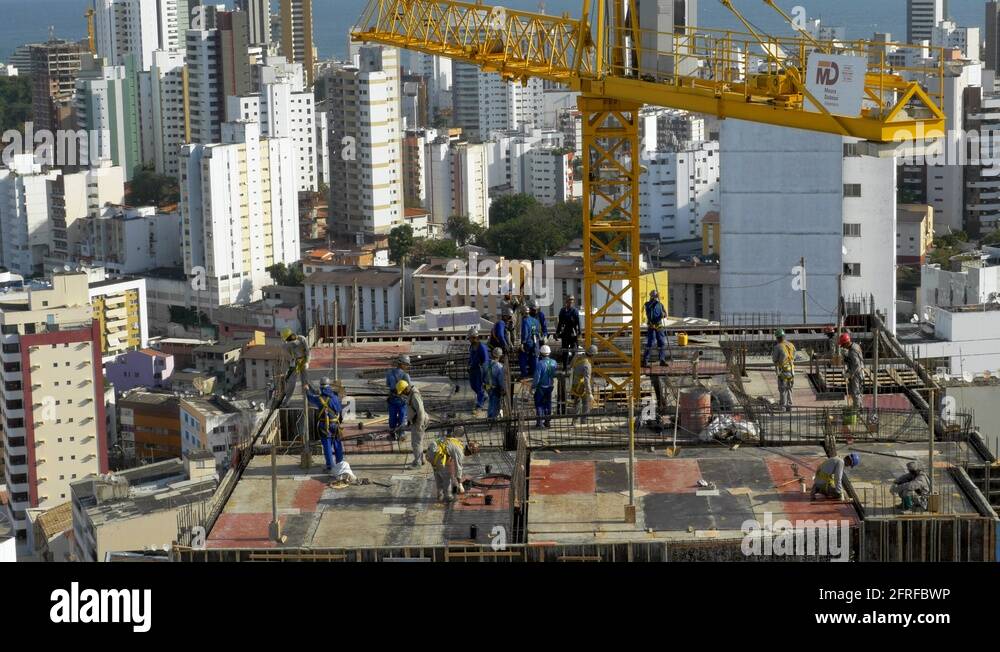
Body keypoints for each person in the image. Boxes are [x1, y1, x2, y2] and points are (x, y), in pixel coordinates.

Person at [305, 377, 345, 474]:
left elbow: (310, 398)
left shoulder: (319, 399)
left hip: (325, 425)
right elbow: (340, 409)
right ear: (329, 386)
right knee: (337, 444)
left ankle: (330, 467)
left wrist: (306, 390)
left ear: (321, 387)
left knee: (327, 446)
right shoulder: (335, 397)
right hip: (335, 425)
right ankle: (340, 465)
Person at [425, 429, 468, 502]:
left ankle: (440, 494)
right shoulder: (460, 452)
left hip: (430, 452)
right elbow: (458, 468)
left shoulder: (456, 442)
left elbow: (448, 452)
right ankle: (448, 496)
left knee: (438, 473)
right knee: (447, 476)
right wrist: (460, 484)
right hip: (437, 453)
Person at [396, 379, 429, 467]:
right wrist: (409, 421)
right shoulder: (411, 393)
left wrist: (419, 425)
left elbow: (420, 411)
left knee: (416, 443)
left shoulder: (414, 395)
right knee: (419, 442)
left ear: (406, 389)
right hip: (416, 420)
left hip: (419, 421)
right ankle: (421, 460)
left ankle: (417, 463)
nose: (402, 394)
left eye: (402, 392)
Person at [280, 327, 310, 406]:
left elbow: (307, 351)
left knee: (305, 380)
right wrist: (288, 368)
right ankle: (287, 399)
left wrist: (307, 362)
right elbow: (288, 357)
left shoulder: (302, 339)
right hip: (295, 362)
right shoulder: (286, 346)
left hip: (303, 360)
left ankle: (307, 398)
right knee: (291, 381)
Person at [385, 355, 412, 440]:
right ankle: (401, 434)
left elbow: (388, 384)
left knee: (392, 416)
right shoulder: (405, 375)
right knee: (402, 416)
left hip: (392, 399)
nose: (407, 367)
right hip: (402, 401)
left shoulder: (389, 373)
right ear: (402, 364)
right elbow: (409, 389)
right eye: (406, 365)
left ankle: (392, 434)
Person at [569, 345, 597, 424]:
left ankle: (574, 421)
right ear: (593, 355)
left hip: (574, 384)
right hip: (581, 386)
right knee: (586, 403)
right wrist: (590, 393)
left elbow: (571, 366)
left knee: (577, 402)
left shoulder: (578, 357)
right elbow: (586, 380)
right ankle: (584, 421)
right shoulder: (587, 364)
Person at [771, 329, 796, 411]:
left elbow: (774, 359)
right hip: (791, 371)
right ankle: (789, 406)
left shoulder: (777, 347)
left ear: (777, 338)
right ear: (784, 336)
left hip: (783, 372)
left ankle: (783, 407)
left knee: (783, 389)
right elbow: (794, 356)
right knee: (789, 388)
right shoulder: (791, 345)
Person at [533, 344, 557, 428]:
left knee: (539, 404)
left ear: (541, 353)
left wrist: (533, 386)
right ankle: (547, 421)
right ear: (549, 353)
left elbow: (537, 377)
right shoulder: (554, 362)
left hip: (541, 388)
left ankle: (540, 422)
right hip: (550, 387)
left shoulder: (540, 364)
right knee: (548, 403)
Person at [642, 290, 668, 367]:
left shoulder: (660, 305)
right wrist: (654, 301)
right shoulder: (647, 304)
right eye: (655, 297)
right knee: (650, 343)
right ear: (652, 297)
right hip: (651, 326)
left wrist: (663, 314)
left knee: (661, 343)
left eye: (656, 297)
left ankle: (662, 360)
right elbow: (649, 313)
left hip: (659, 326)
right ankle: (645, 361)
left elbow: (665, 314)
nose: (656, 298)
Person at [839, 333, 865, 410]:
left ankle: (857, 410)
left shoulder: (853, 351)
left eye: (843, 345)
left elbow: (856, 365)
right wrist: (847, 357)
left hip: (856, 374)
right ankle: (860, 407)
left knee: (856, 393)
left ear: (846, 343)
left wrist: (849, 374)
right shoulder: (855, 346)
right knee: (858, 392)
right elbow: (855, 360)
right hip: (860, 372)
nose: (843, 347)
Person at [556, 295, 581, 370]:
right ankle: (565, 367)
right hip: (566, 332)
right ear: (566, 301)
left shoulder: (574, 311)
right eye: (569, 300)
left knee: (574, 350)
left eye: (572, 300)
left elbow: (578, 322)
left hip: (573, 332)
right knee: (565, 350)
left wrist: (579, 331)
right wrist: (557, 332)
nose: (570, 302)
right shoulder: (562, 310)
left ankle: (573, 366)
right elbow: (560, 323)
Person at [467, 328, 489, 413]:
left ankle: (479, 404)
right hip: (473, 369)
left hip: (480, 370)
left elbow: (485, 360)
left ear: (474, 337)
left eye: (470, 338)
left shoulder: (482, 347)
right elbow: (471, 357)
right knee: (473, 386)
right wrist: (468, 365)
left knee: (479, 387)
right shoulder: (471, 346)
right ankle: (483, 396)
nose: (469, 340)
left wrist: (485, 372)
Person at [520, 307, 543, 378]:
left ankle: (524, 374)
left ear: (523, 313)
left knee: (522, 356)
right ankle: (535, 375)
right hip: (536, 342)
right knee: (534, 357)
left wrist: (522, 343)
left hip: (528, 342)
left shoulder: (525, 320)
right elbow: (539, 331)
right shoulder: (536, 321)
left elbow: (525, 333)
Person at [484, 347, 507, 419]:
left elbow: (482, 375)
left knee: (491, 401)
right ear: (500, 356)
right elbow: (501, 380)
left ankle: (489, 416)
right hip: (495, 387)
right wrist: (503, 389)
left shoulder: (486, 364)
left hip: (487, 386)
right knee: (495, 403)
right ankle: (492, 418)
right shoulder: (499, 366)